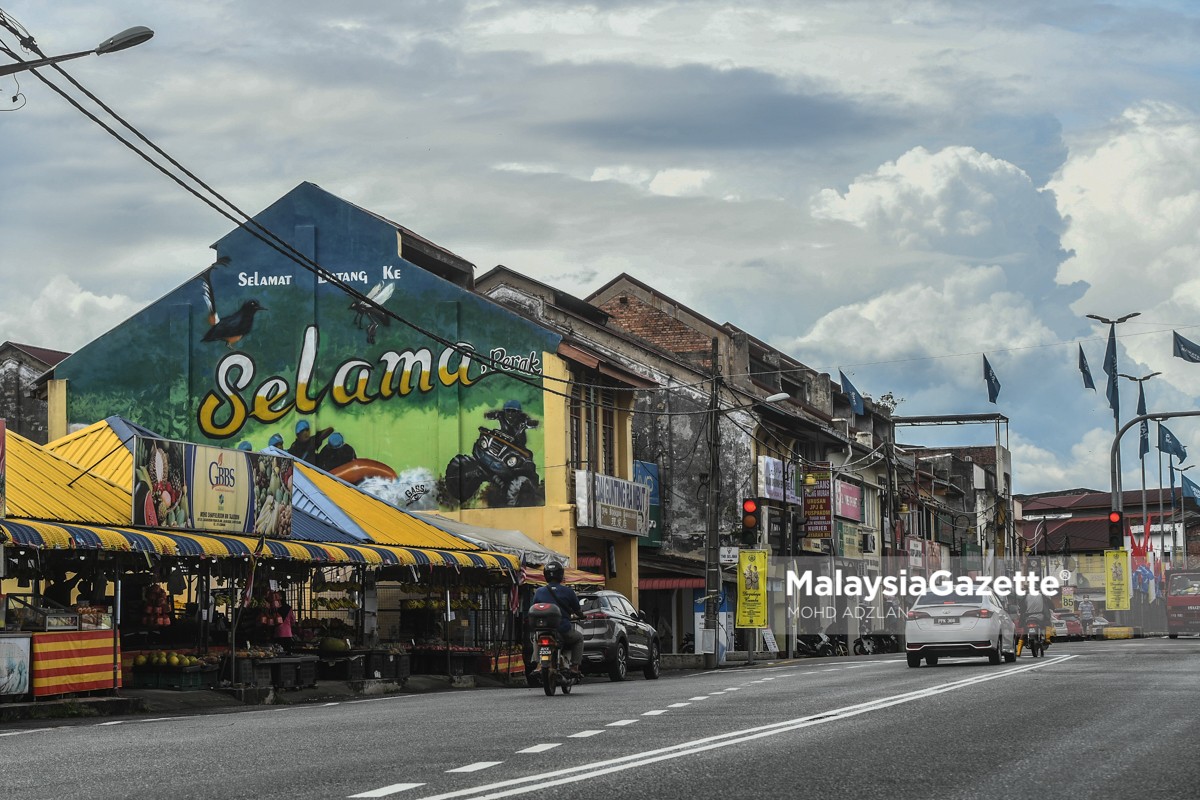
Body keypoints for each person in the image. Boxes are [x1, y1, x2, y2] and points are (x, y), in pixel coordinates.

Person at [530, 562, 584, 676]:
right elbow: (577, 610)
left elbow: (533, 608)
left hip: (543, 630)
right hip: (563, 630)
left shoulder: (539, 592)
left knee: (536, 638)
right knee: (579, 638)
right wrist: (582, 615)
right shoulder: (568, 591)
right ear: (561, 575)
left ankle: (538, 665)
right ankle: (574, 667)